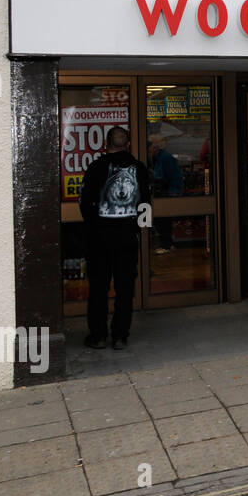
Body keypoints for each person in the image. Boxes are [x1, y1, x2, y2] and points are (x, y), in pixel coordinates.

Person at [79, 126, 151, 349]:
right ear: (127, 144)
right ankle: (120, 335)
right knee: (125, 288)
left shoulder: (96, 167)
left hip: (99, 240)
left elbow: (84, 203)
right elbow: (147, 205)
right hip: (127, 239)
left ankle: (98, 335)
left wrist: (94, 226)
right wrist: (137, 230)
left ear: (106, 144)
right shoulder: (140, 169)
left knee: (98, 288)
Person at [147, 133, 183, 253]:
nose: (148, 148)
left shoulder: (164, 158)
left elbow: (164, 177)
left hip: (168, 192)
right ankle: (168, 244)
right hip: (167, 190)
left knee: (162, 220)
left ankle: (166, 245)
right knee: (163, 220)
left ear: (156, 147)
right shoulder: (160, 157)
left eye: (149, 145)